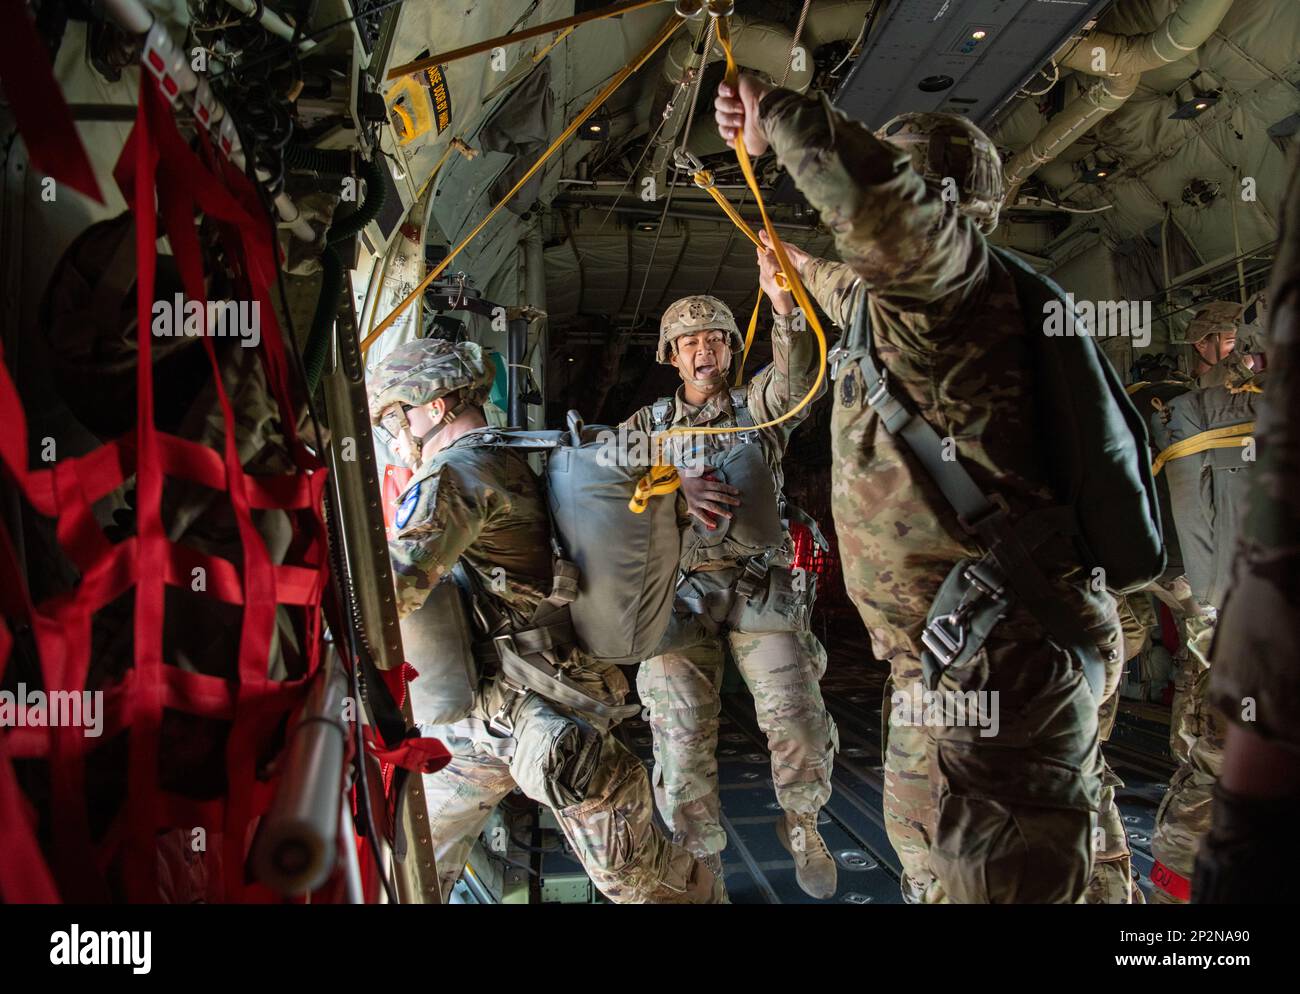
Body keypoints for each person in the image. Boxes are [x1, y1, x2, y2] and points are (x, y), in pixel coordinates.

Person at [714, 78, 1128, 903]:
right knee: (924, 840)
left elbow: (876, 210)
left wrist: (777, 119)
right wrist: (790, 268)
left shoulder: (955, 288)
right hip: (954, 659)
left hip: (1001, 660)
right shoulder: (902, 303)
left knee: (1002, 875)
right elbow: (846, 285)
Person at [371, 337, 724, 903]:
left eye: (397, 415)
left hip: (547, 706)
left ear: (433, 409)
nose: (395, 431)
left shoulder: (456, 475)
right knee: (410, 858)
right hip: (491, 709)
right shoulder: (496, 458)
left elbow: (393, 589)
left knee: (640, 880)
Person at [620, 254, 839, 899]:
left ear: (729, 349)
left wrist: (785, 307)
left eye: (714, 338)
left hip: (759, 588)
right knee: (680, 736)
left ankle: (802, 823)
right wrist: (667, 482)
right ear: (672, 355)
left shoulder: (759, 407)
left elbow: (800, 378)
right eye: (689, 342)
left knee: (797, 716)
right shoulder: (646, 428)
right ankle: (701, 855)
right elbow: (598, 477)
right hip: (678, 597)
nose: (703, 350)